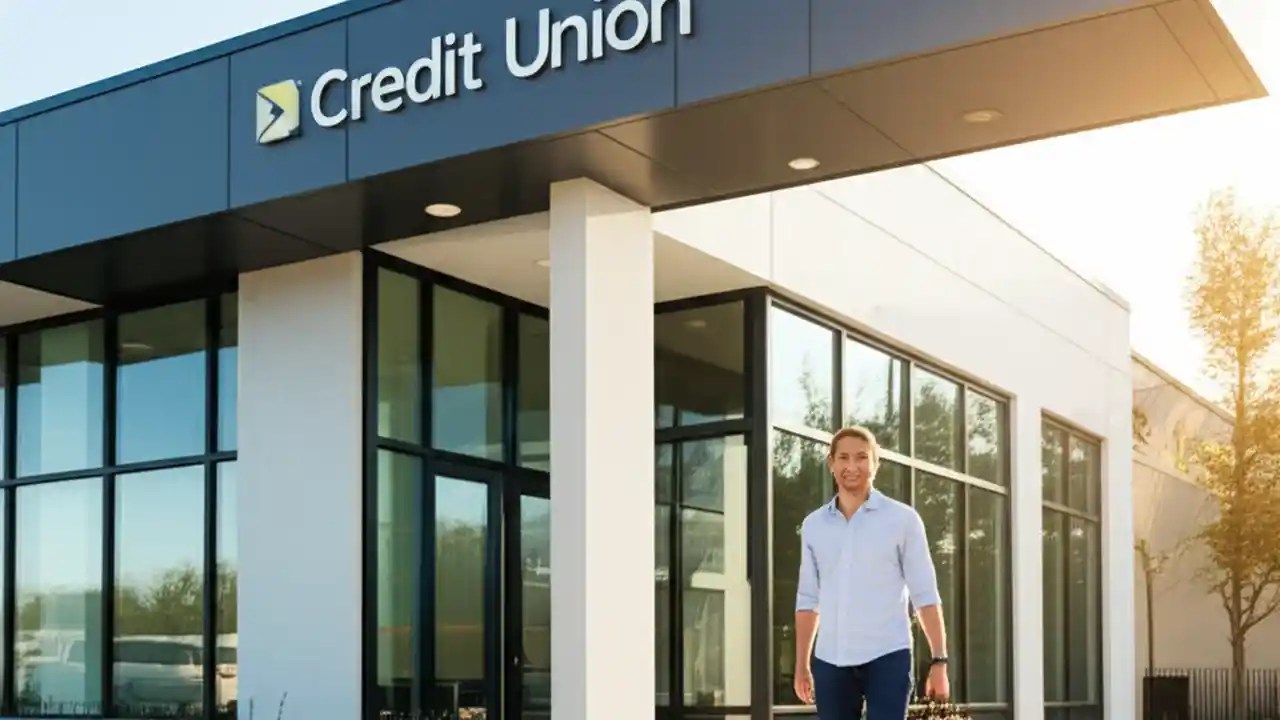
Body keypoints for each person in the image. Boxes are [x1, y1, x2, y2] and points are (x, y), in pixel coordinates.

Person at [792, 425, 950, 719]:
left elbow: (925, 593)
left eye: (862, 457)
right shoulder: (814, 526)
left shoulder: (903, 520)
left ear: (876, 464)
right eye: (843, 457)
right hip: (830, 660)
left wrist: (939, 660)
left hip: (887, 656)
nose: (852, 466)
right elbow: (808, 599)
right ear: (831, 464)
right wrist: (802, 664)